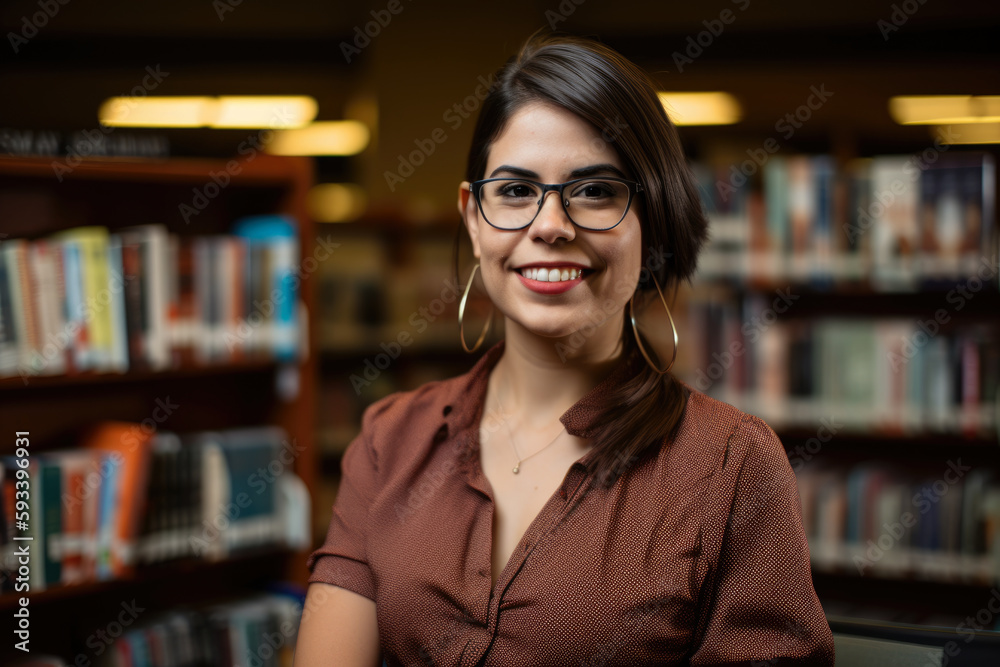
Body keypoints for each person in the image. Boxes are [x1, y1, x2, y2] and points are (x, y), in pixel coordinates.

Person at [294, 32, 835, 666]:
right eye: (516, 191)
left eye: (597, 190)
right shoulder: (391, 439)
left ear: (652, 218)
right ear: (474, 217)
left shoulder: (732, 465)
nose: (550, 225)